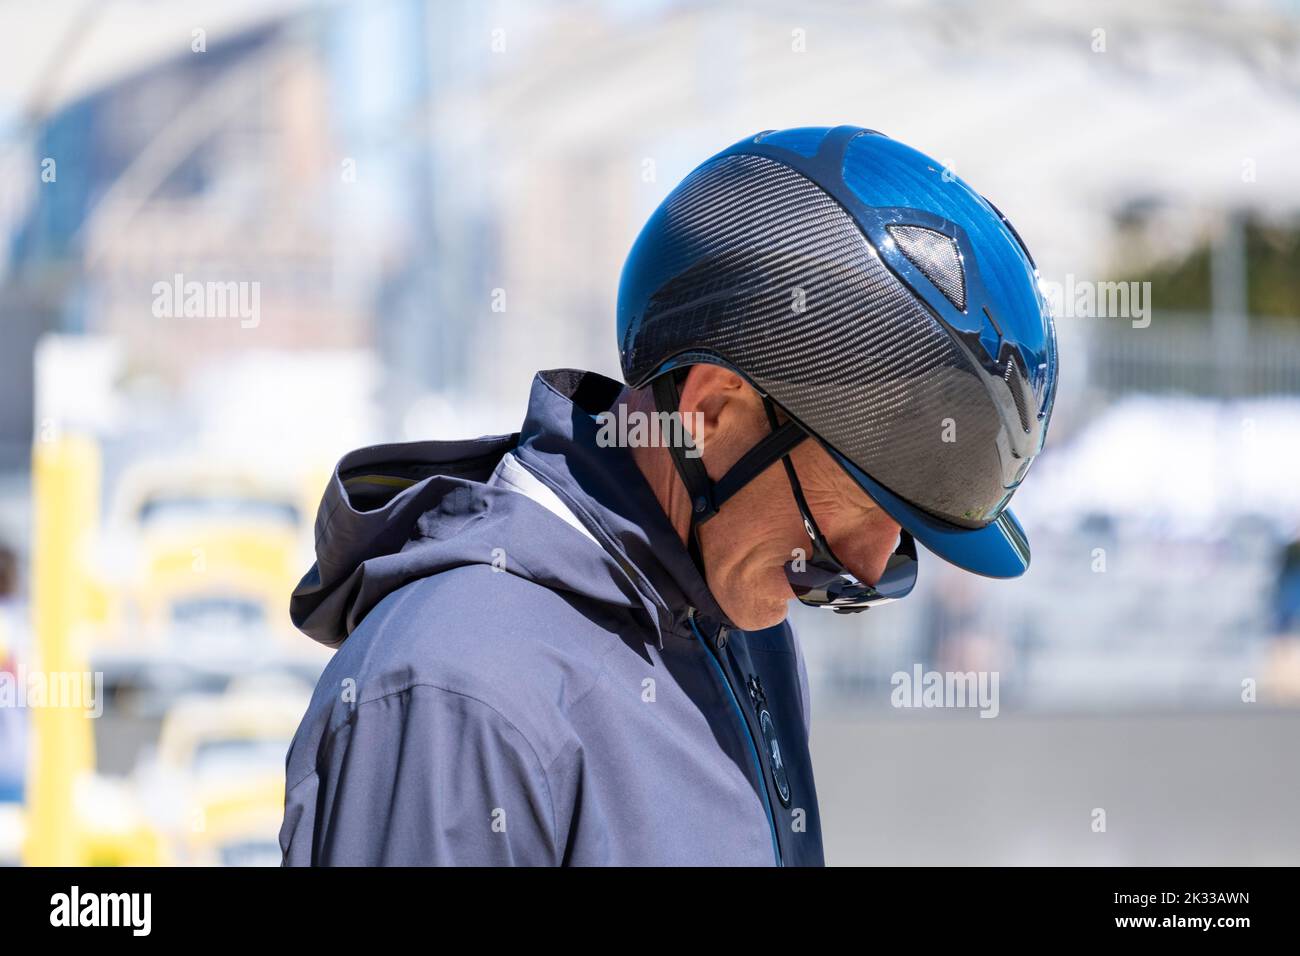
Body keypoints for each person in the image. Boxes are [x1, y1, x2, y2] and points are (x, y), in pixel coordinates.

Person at [279, 126, 1058, 866]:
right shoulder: (459, 693)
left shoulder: (741, 632)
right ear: (710, 411)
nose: (868, 565)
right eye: (860, 506)